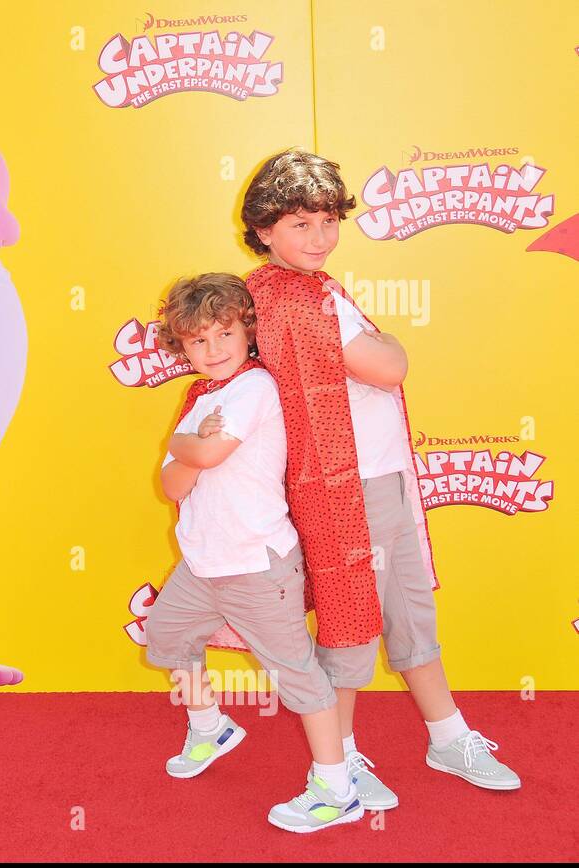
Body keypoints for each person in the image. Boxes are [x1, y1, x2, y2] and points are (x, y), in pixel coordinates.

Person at [240, 150, 520, 807]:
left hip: (375, 473)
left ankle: (446, 734)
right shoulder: (301, 299)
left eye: (328, 221)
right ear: (262, 230)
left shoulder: (301, 291)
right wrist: (389, 343)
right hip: (345, 483)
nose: (319, 237)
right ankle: (340, 762)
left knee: (407, 610)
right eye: (301, 224)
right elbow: (390, 365)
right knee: (350, 621)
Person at [144, 273, 363, 833]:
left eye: (224, 333)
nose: (212, 350)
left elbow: (207, 455)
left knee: (298, 677)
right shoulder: (201, 398)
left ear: (248, 331)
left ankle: (337, 791)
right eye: (197, 340)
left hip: (258, 566)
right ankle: (209, 727)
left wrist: (180, 446)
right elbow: (172, 486)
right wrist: (187, 449)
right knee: (168, 637)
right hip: (202, 564)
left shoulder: (253, 388)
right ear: (182, 345)